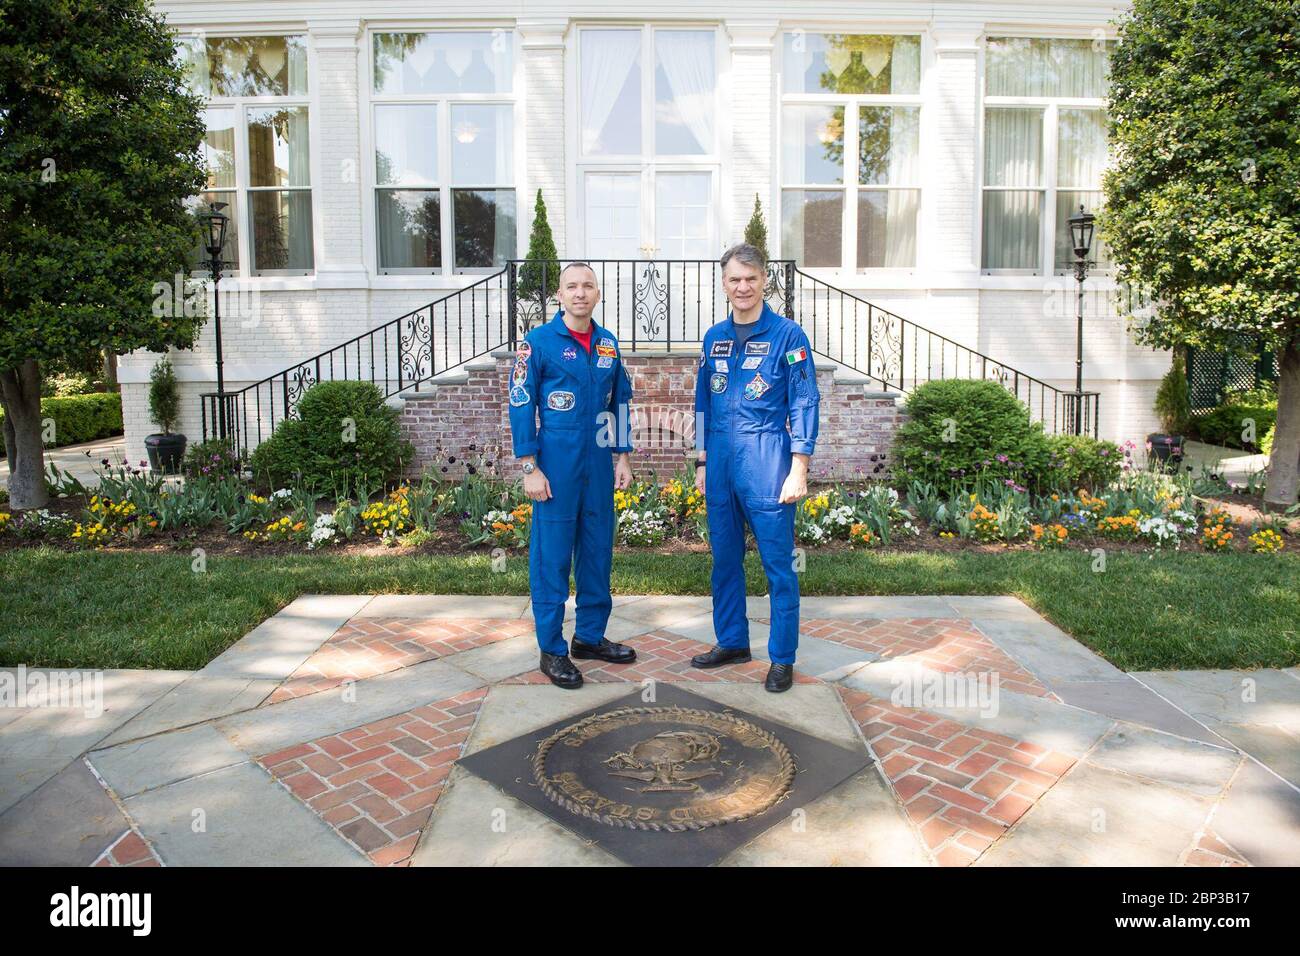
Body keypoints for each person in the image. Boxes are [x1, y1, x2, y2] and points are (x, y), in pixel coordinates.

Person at [691, 243, 820, 693]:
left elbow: (804, 401)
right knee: (724, 560)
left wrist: (799, 465)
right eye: (734, 279)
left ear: (765, 279)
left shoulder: (789, 336)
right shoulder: (713, 338)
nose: (742, 287)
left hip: (767, 456)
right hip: (721, 461)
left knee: (778, 565)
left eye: (750, 278)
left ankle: (782, 657)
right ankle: (732, 641)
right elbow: (702, 403)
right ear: (723, 284)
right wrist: (702, 460)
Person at [508, 262, 636, 689]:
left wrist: (622, 457)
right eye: (571, 287)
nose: (580, 293)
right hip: (555, 466)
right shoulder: (538, 343)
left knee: (598, 551)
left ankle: (589, 637)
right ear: (559, 296)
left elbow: (619, 403)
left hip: (598, 463)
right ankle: (552, 649)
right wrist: (530, 466)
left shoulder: (607, 345)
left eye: (588, 286)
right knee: (553, 557)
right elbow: (521, 402)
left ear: (598, 293)